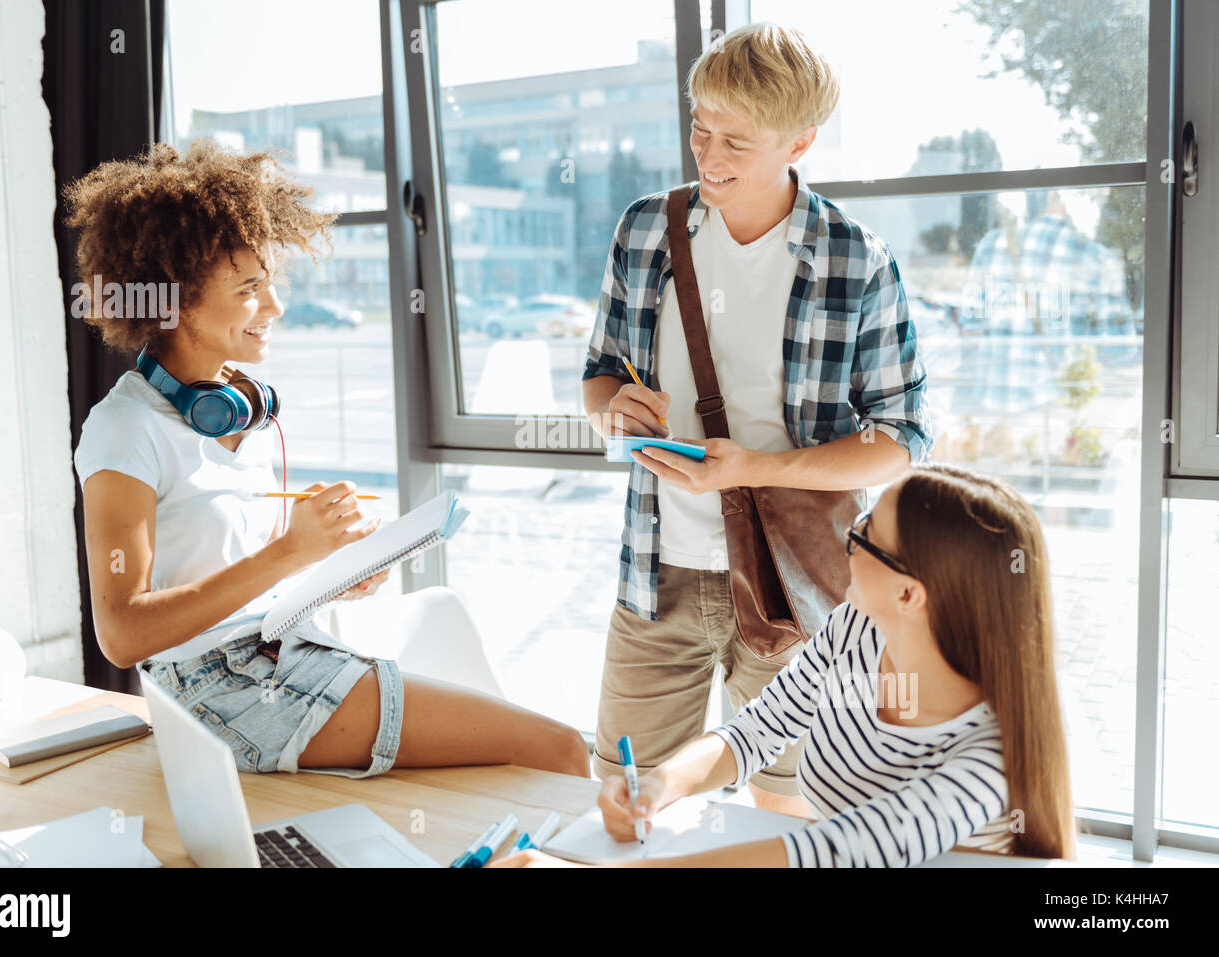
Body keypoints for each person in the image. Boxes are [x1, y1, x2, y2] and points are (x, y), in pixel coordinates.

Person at [68, 140, 589, 783]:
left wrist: (328, 568)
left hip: (282, 651)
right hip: (220, 688)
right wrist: (287, 553)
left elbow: (239, 583)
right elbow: (121, 633)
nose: (277, 308)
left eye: (272, 283)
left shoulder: (237, 410)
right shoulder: (124, 431)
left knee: (537, 754)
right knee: (561, 751)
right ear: (173, 300)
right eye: (250, 289)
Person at [582, 22, 931, 816]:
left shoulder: (856, 259)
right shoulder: (645, 231)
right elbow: (598, 376)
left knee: (795, 814)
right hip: (654, 581)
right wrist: (615, 408)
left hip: (800, 595)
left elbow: (901, 442)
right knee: (623, 803)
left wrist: (751, 468)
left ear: (800, 140)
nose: (709, 156)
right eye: (700, 129)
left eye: (736, 139)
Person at [494, 464, 1077, 867]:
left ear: (909, 594)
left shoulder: (990, 759)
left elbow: (838, 851)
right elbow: (756, 731)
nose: (847, 537)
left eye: (865, 536)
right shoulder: (855, 630)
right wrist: (659, 787)